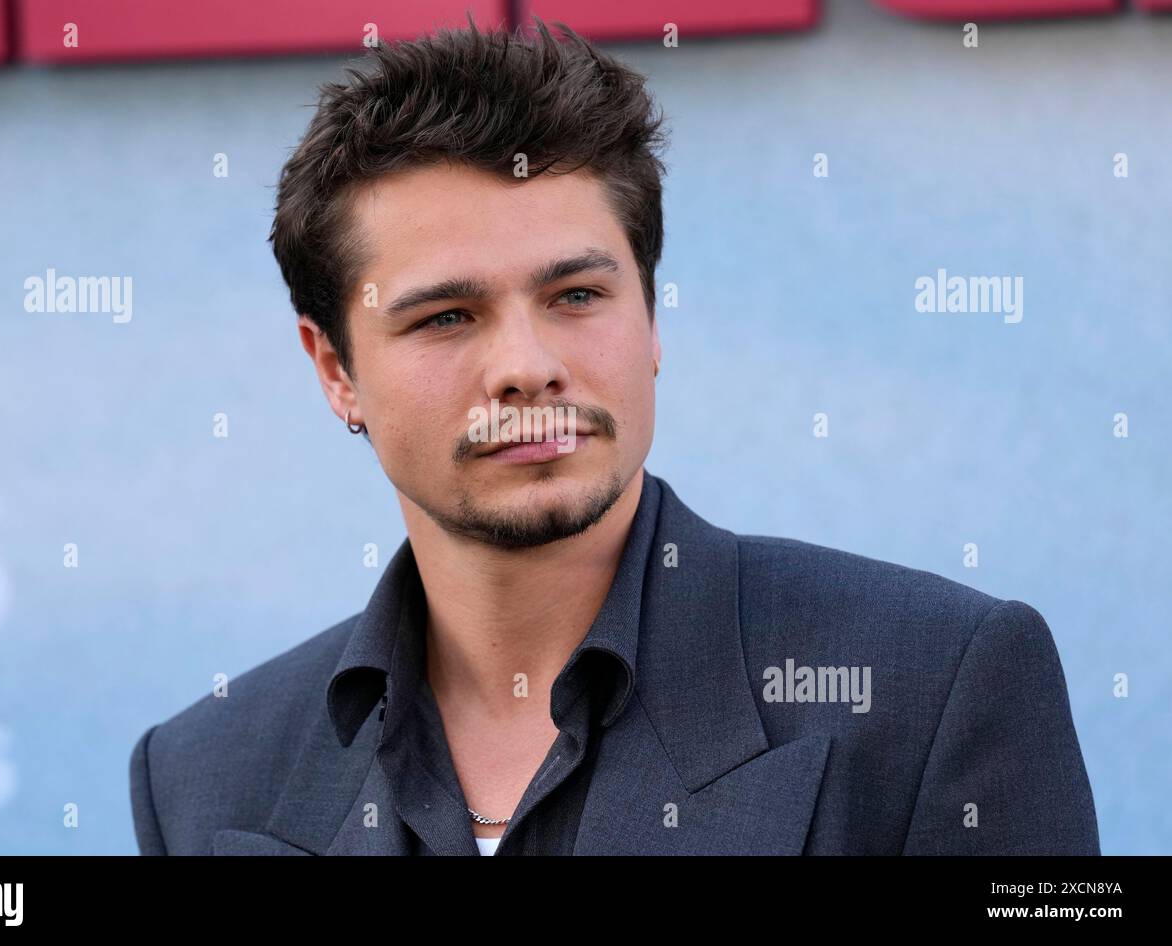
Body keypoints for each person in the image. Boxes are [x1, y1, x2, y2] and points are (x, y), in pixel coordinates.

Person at [128, 16, 1099, 856]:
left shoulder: (935, 684)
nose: (526, 364)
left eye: (577, 295)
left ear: (652, 319)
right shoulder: (204, 778)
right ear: (334, 368)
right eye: (446, 317)